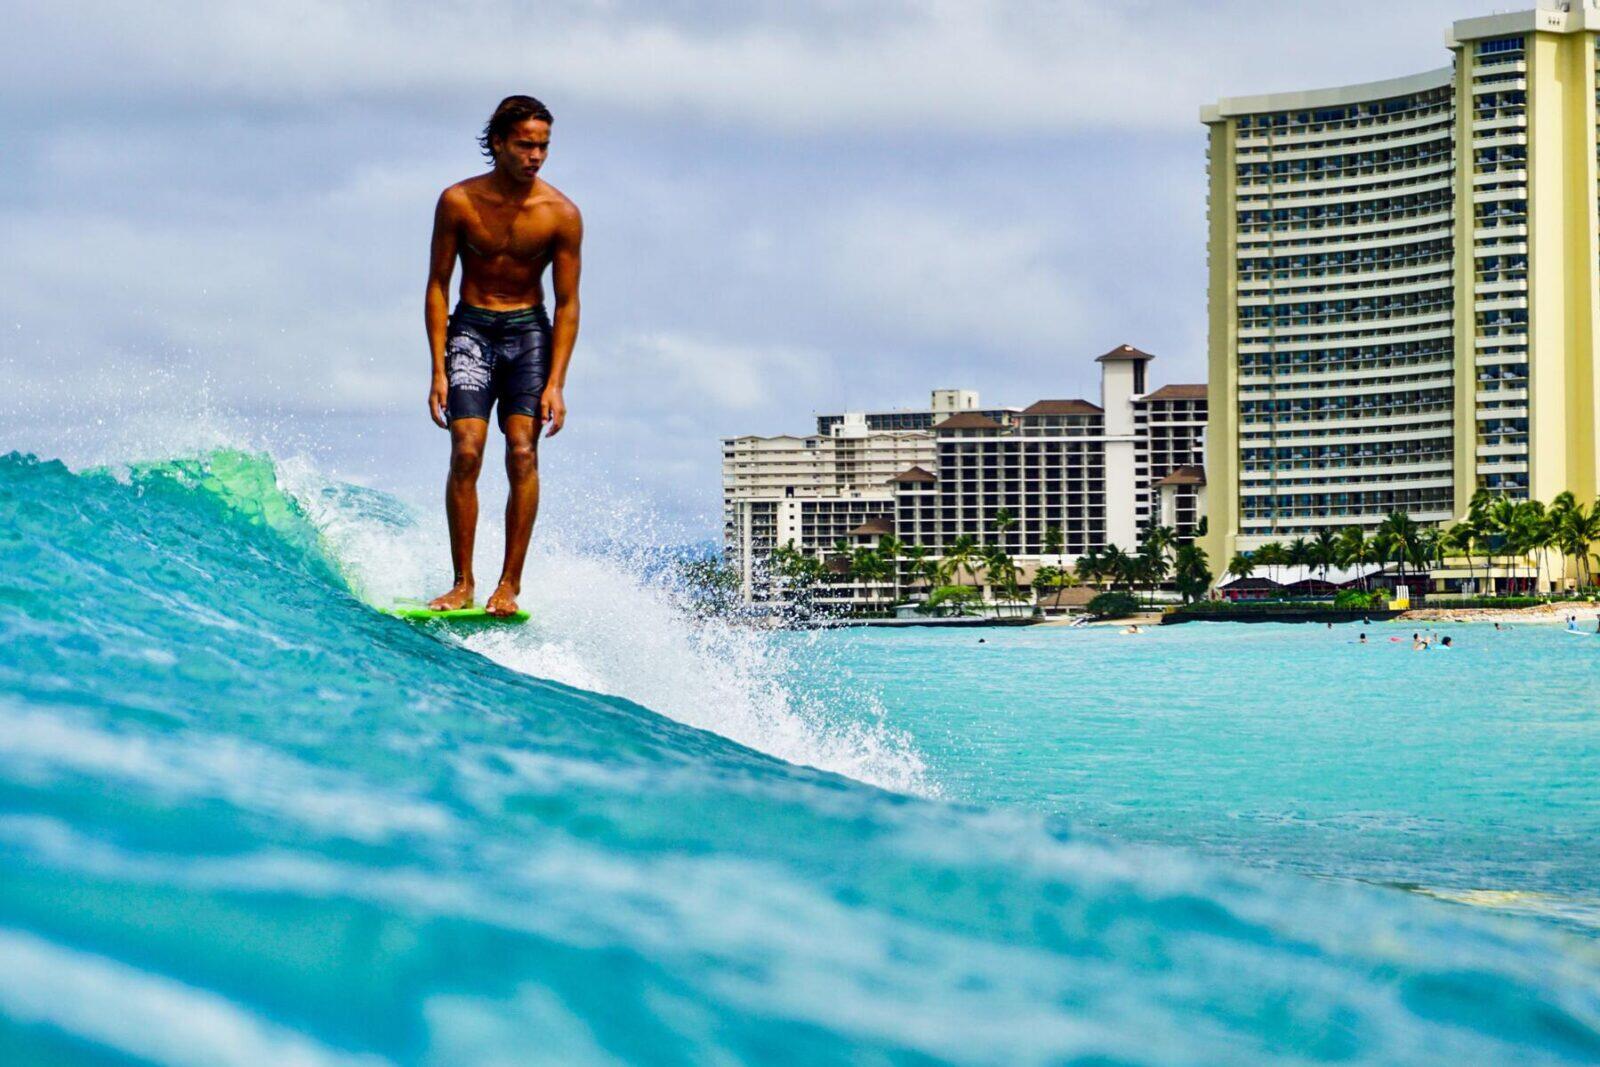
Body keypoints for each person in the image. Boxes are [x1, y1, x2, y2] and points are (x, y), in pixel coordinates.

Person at [425, 95, 584, 617]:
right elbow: (437, 286)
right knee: (466, 449)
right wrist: (437, 370)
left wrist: (557, 382)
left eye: (543, 146)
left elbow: (567, 304)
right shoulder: (458, 203)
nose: (536, 155)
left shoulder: (560, 214)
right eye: (525, 145)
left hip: (527, 335)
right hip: (470, 330)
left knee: (521, 452)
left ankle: (509, 585)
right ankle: (462, 582)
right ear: (497, 143)